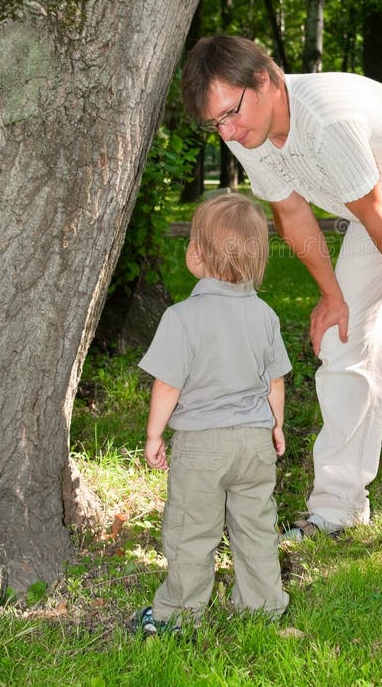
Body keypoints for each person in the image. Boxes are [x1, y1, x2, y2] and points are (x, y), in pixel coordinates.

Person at [182, 35, 382, 561]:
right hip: (381, 211)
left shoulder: (326, 120)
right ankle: (338, 504)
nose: (227, 131)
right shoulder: (244, 132)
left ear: (266, 81)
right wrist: (332, 296)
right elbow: (294, 214)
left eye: (231, 114)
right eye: (216, 124)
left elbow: (378, 219)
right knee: (341, 339)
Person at [130, 193, 291, 638]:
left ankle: (177, 616)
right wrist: (275, 426)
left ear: (197, 254)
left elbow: (168, 384)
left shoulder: (182, 317)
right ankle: (262, 608)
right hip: (254, 443)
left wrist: (153, 434)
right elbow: (274, 381)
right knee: (256, 527)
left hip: (201, 446)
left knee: (191, 532)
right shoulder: (265, 315)